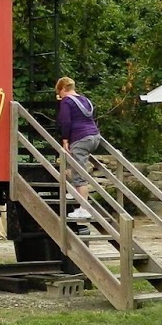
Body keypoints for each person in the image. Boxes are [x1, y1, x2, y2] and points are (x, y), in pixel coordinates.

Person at [55, 76, 103, 220]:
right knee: (71, 163)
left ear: (63, 89)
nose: (59, 95)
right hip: (94, 136)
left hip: (80, 138)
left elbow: (66, 121)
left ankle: (84, 208)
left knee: (78, 174)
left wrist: (65, 139)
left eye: (60, 92)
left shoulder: (66, 101)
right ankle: (74, 192)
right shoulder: (84, 100)